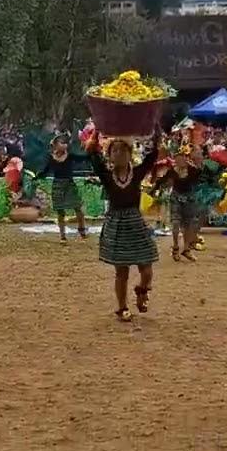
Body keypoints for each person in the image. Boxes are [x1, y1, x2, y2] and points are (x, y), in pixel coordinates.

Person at [87, 131, 161, 322]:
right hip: (117, 225)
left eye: (122, 150)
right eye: (114, 150)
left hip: (135, 224)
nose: (118, 153)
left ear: (130, 153)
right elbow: (92, 153)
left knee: (147, 268)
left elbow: (152, 156)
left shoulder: (136, 174)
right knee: (122, 271)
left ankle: (142, 290)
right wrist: (97, 130)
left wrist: (155, 130)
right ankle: (122, 307)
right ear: (109, 156)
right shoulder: (106, 175)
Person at [35, 135, 88, 243]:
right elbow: (45, 171)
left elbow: (83, 158)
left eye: (65, 143)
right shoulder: (51, 158)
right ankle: (62, 235)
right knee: (60, 212)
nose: (64, 145)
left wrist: (92, 152)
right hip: (58, 185)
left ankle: (82, 229)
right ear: (55, 145)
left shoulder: (70, 156)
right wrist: (36, 177)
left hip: (70, 184)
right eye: (61, 142)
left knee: (78, 208)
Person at [168, 145, 205, 262]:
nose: (180, 160)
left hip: (189, 198)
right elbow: (161, 181)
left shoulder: (192, 169)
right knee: (175, 224)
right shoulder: (172, 170)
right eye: (177, 158)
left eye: (182, 158)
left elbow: (200, 175)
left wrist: (198, 160)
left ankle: (186, 249)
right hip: (175, 198)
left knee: (188, 225)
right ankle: (175, 247)